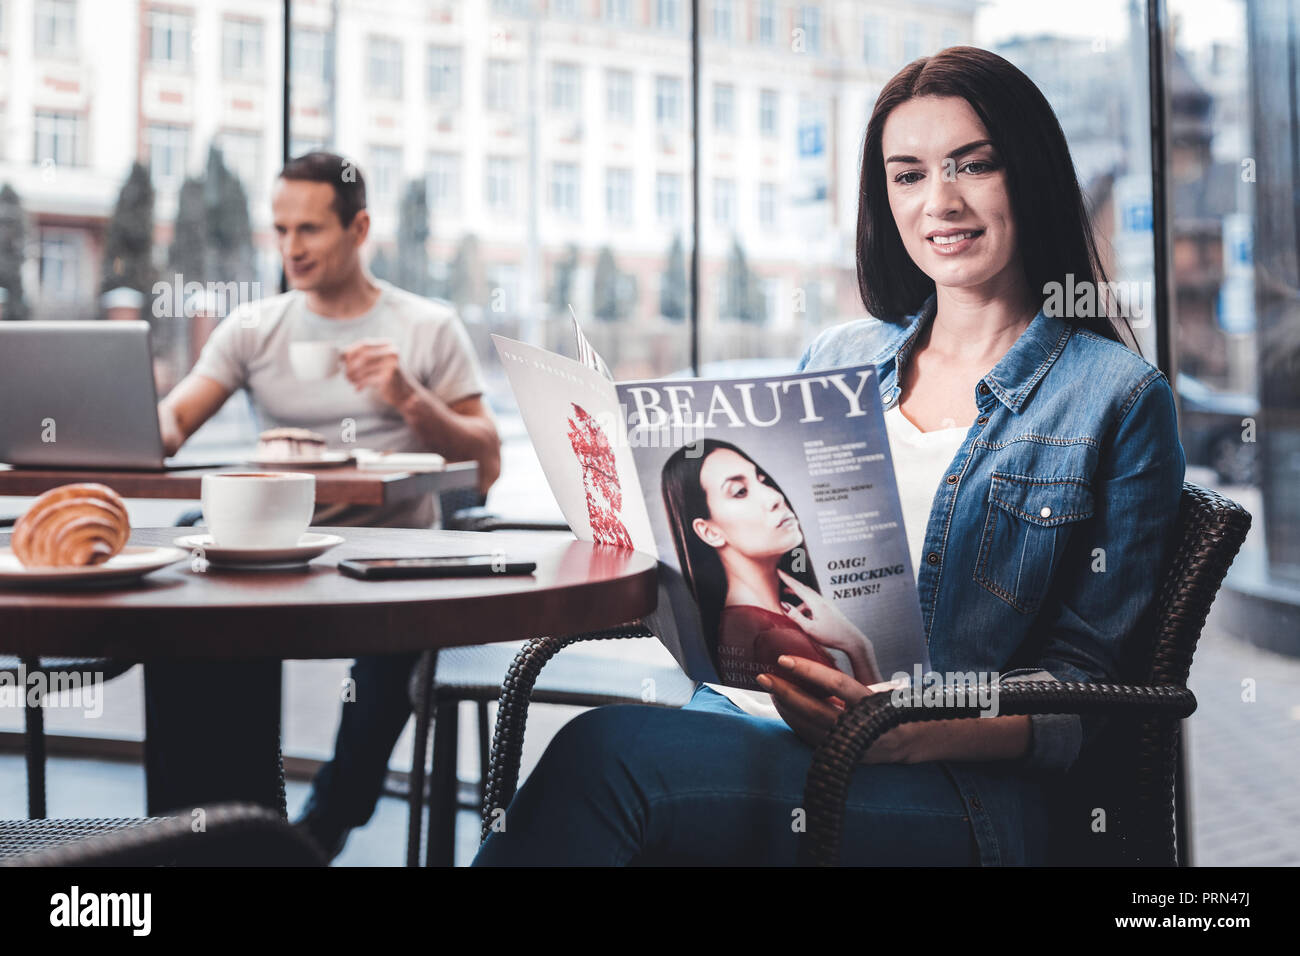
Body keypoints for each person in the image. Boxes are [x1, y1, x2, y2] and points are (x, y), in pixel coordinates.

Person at [473, 46, 1185, 866]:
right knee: (613, 770)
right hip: (763, 729)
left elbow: (1091, 693)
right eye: (908, 175)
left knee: (602, 762)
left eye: (972, 166)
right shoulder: (842, 355)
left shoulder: (1117, 397)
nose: (940, 202)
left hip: (956, 790)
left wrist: (900, 730)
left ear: (1029, 172)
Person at [156, 151, 502, 859]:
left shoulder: (426, 327)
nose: (290, 249)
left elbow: (486, 464)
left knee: (388, 668)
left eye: (309, 229)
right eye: (280, 230)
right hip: (269, 543)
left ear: (359, 227)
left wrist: (408, 396)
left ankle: (318, 832)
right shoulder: (255, 327)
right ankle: (219, 824)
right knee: (188, 608)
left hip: (392, 548)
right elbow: (171, 424)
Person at [660, 439, 880, 690]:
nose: (775, 497)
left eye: (762, 480)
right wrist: (858, 647)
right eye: (739, 491)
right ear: (709, 532)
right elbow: (866, 727)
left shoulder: (742, 624)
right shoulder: (774, 638)